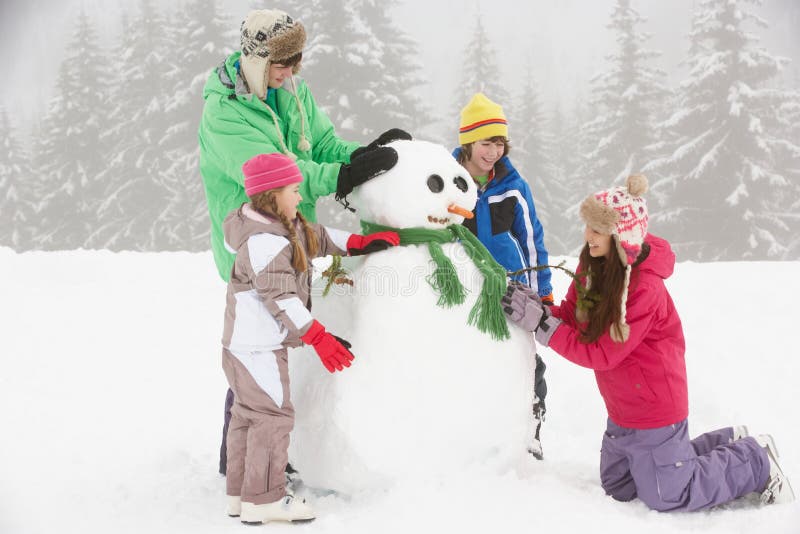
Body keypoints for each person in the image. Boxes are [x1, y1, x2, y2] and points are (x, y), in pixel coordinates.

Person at [502, 174, 795, 510]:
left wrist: (543, 326)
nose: (588, 237)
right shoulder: (593, 264)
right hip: (622, 408)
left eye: (597, 230)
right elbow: (573, 314)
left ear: (621, 236)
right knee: (619, 486)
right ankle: (728, 441)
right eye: (588, 227)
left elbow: (603, 352)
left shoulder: (644, 288)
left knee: (670, 494)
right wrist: (543, 309)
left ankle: (755, 461)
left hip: (655, 406)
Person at [198, 8, 409, 474]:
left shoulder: (292, 90)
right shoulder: (224, 115)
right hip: (251, 249)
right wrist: (342, 177)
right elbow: (278, 179)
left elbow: (323, 145)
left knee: (271, 353)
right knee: (257, 353)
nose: (291, 71)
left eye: (297, 60)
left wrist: (362, 156)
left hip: (292, 239)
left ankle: (247, 460)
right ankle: (252, 468)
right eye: (281, 62)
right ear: (255, 60)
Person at [222, 153, 399, 524]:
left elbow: (314, 237)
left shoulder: (279, 225)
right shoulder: (265, 242)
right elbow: (282, 298)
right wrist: (320, 337)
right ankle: (265, 498)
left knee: (247, 416)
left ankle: (241, 493)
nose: (299, 198)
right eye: (293, 190)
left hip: (246, 344)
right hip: (258, 347)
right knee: (273, 416)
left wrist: (357, 243)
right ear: (272, 195)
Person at [453, 92, 553, 459]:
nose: (493, 152)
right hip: (463, 289)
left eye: (499, 143)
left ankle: (532, 427)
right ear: (467, 141)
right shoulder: (448, 180)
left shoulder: (512, 186)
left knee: (527, 362)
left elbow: (532, 239)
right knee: (468, 358)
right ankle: (467, 434)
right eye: (485, 143)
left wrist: (540, 293)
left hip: (511, 288)